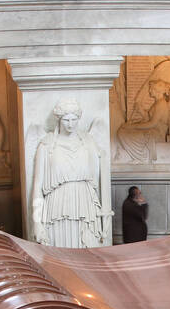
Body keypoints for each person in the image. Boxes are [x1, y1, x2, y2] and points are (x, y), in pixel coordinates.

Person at [29, 98, 110, 248]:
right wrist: (37, 222)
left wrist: (105, 211)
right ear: (59, 119)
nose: (70, 124)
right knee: (60, 254)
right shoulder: (47, 145)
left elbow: (101, 175)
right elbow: (37, 187)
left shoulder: (88, 142)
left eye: (74, 119)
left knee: (86, 254)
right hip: (57, 208)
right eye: (66, 120)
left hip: (85, 205)